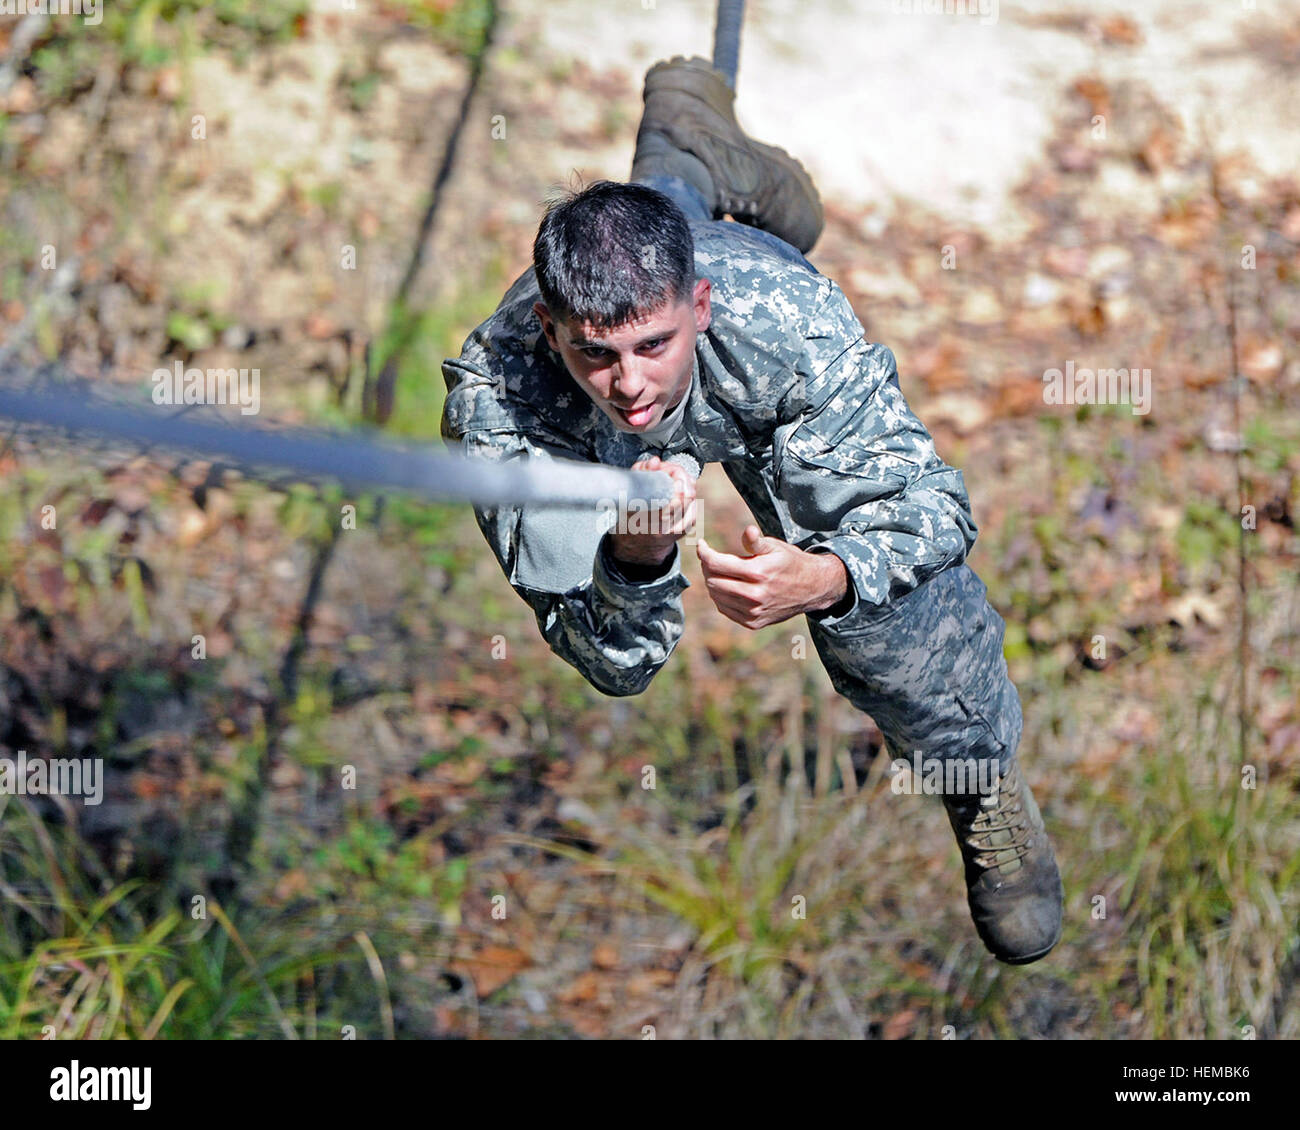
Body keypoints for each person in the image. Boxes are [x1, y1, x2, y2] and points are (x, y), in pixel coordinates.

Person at [442, 55, 1063, 964]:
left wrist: (826, 576)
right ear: (551, 332)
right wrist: (635, 560)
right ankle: (683, 155)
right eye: (597, 354)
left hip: (751, 377)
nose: (630, 383)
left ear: (696, 306)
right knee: (610, 601)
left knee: (888, 602)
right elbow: (608, 661)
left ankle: (978, 777)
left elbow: (933, 510)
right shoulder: (504, 403)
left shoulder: (785, 317)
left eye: (652, 344)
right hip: (594, 446)